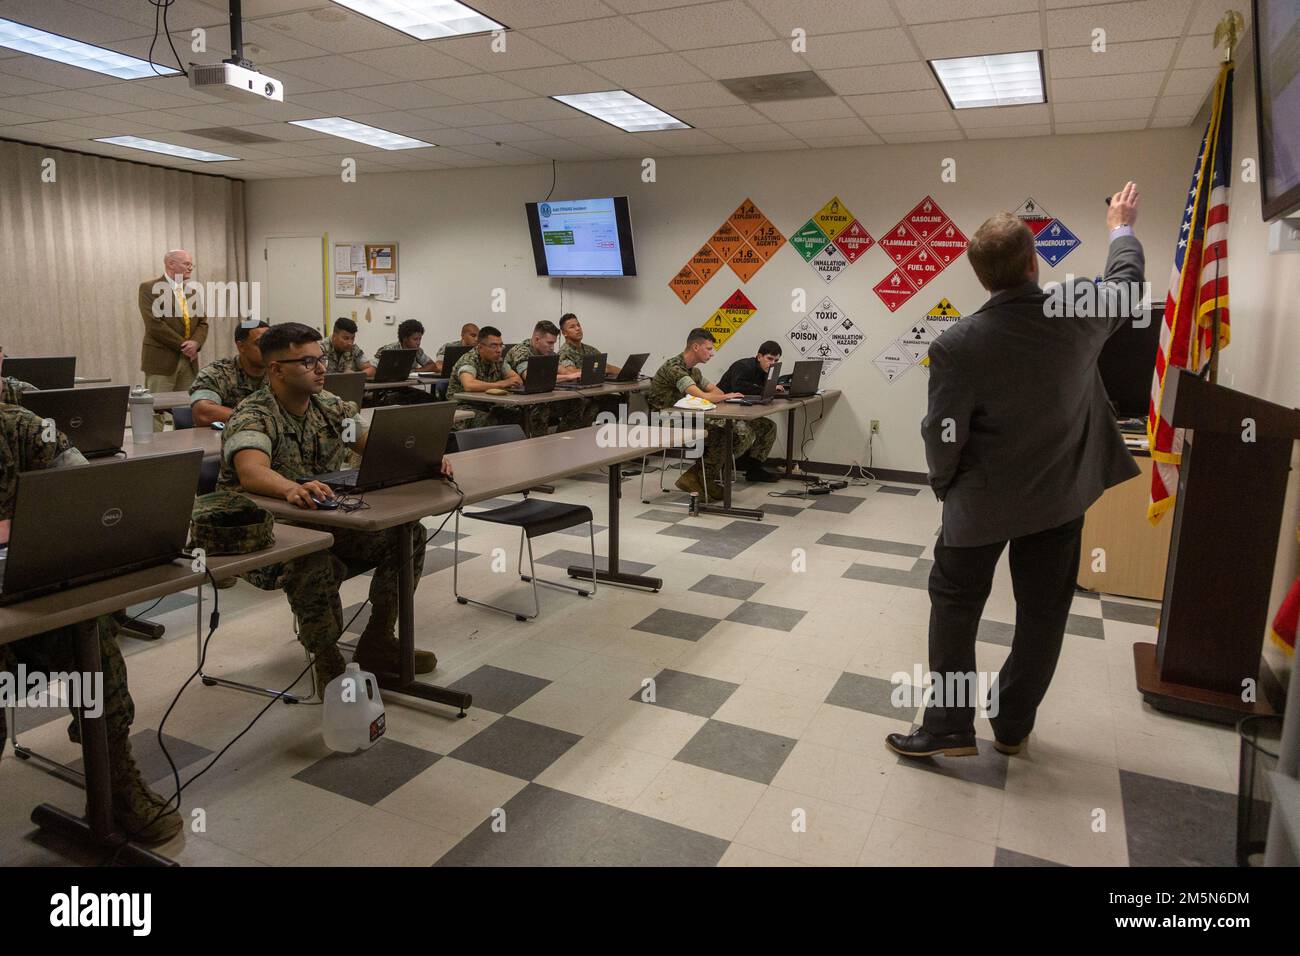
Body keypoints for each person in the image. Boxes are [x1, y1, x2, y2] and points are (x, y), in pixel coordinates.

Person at [886, 182, 1145, 760]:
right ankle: (1011, 724)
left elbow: (942, 431)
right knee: (1043, 613)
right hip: (1059, 498)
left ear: (982, 278)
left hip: (978, 502)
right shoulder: (1078, 313)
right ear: (1034, 263)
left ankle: (950, 726)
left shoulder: (959, 342)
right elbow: (1127, 285)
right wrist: (1120, 226)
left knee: (955, 607)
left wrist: (943, 483)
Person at [217, 322, 447, 686]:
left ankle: (378, 642)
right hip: (268, 535)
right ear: (276, 369)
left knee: (408, 535)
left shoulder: (330, 408)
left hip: (321, 520)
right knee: (314, 561)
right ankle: (329, 666)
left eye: (320, 359)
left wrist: (422, 458)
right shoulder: (254, 414)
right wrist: (289, 487)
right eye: (307, 362)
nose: (321, 368)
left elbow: (368, 445)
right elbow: (252, 472)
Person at [0, 403, 182, 844]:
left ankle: (115, 780)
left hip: (22, 592)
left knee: (92, 640)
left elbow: (87, 492)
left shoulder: (23, 427)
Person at [647, 328, 778, 500]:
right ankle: (703, 477)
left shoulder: (694, 371)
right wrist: (725, 396)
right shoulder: (674, 368)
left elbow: (715, 390)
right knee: (731, 434)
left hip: (687, 416)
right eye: (708, 349)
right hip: (668, 422)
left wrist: (725, 396)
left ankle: (699, 476)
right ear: (695, 347)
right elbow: (702, 395)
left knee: (743, 431)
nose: (712, 353)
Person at [138, 249, 209, 430]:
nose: (190, 268)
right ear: (171, 264)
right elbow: (154, 324)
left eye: (191, 264)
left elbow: (203, 323)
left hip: (189, 360)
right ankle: (151, 453)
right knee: (155, 410)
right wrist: (184, 345)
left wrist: (196, 343)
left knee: (187, 408)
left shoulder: (193, 292)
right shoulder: (149, 288)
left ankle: (185, 449)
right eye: (186, 264)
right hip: (161, 359)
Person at [504, 320, 584, 434]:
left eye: (554, 343)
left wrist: (578, 374)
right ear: (537, 339)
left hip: (540, 398)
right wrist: (569, 376)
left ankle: (563, 440)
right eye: (549, 343)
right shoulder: (521, 351)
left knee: (578, 402)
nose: (552, 347)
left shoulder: (547, 352)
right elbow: (532, 378)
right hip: (518, 403)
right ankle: (539, 447)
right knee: (541, 408)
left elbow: (565, 371)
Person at [189, 320, 270, 426]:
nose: (267, 349)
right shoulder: (217, 373)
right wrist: (258, 419)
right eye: (259, 343)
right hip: (222, 439)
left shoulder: (280, 372)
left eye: (270, 343)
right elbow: (202, 413)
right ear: (241, 347)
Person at [446, 325, 522, 429]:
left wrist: (509, 382)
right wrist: (501, 384)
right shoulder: (469, 360)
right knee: (492, 422)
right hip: (463, 409)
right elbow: (469, 385)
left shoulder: (498, 360)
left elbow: (516, 379)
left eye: (501, 345)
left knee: (519, 416)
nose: (499, 350)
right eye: (494, 346)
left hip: (487, 406)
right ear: (480, 347)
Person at [557, 313, 621, 378]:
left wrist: (624, 373)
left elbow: (606, 366)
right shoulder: (564, 353)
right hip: (577, 387)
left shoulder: (590, 349)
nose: (578, 328)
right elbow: (571, 372)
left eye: (578, 325)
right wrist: (601, 370)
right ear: (564, 333)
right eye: (572, 327)